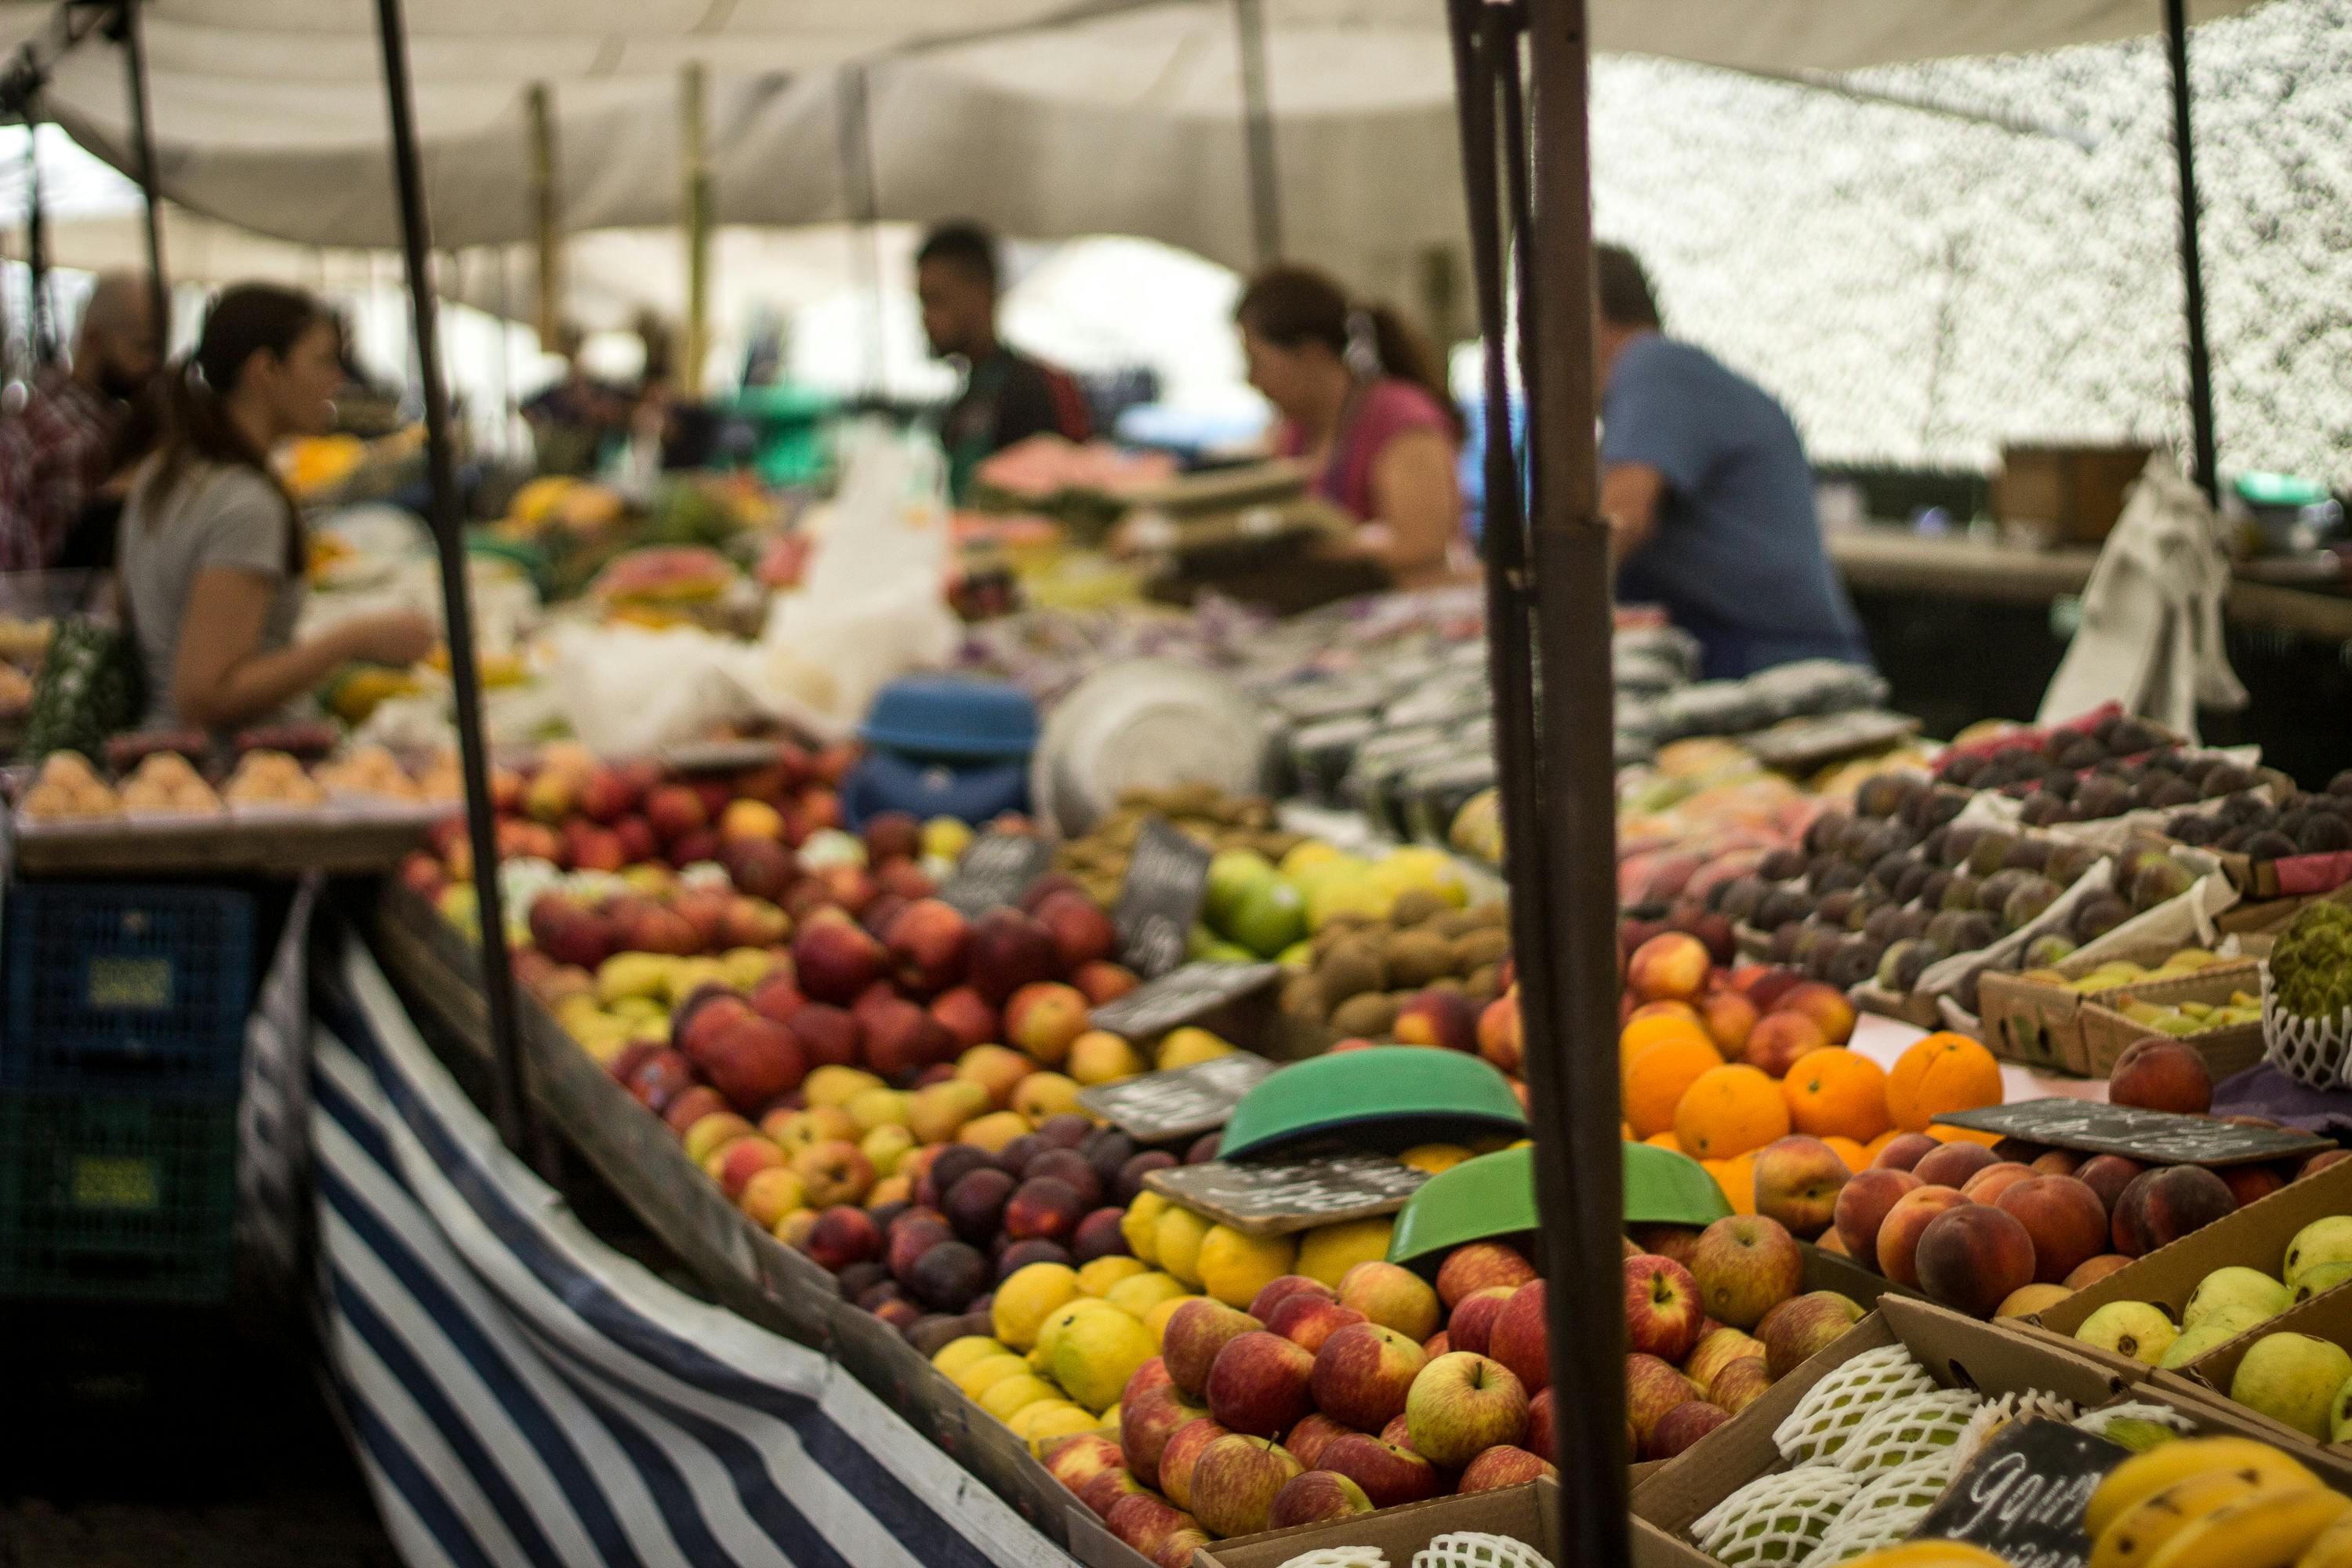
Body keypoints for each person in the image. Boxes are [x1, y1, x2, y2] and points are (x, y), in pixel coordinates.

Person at [118, 284, 434, 734]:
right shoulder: (247, 504)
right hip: (232, 771)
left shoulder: (165, 471)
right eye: (323, 361)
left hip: (163, 753)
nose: (338, 380)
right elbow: (203, 696)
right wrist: (352, 641)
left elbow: (127, 612)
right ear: (265, 370)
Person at [1595, 243, 1871, 680]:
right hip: (1765, 659)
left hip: (1780, 670)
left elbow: (1620, 521)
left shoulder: (1652, 364)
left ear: (1585, 311)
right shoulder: (1667, 379)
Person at [1236, 264, 1465, 588]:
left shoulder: (1401, 418)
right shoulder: (1294, 432)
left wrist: (1310, 553)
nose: (1251, 380)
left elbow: (1422, 545)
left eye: (1256, 361)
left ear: (1311, 355)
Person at [915, 222, 1093, 499]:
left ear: (981, 295)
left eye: (937, 300)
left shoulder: (1035, 389)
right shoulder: (966, 398)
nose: (925, 318)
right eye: (923, 302)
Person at [0, 271, 161, 572]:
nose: (152, 364)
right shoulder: (77, 441)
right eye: (142, 347)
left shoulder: (40, 411)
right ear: (93, 339)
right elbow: (62, 583)